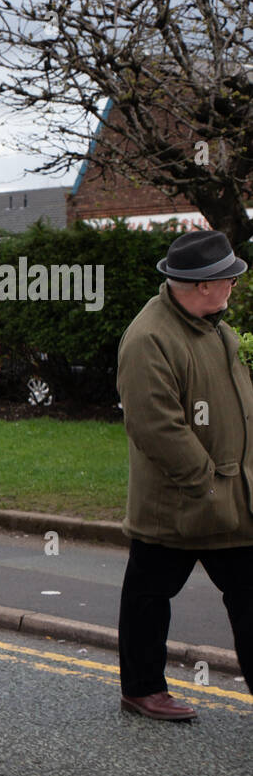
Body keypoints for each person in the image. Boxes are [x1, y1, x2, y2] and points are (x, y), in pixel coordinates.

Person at [116, 229, 253, 720]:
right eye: (229, 280)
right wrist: (207, 485)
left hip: (230, 497)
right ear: (202, 286)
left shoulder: (215, 328)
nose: (234, 287)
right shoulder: (149, 338)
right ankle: (142, 689)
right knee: (149, 595)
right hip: (176, 504)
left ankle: (142, 687)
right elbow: (156, 427)